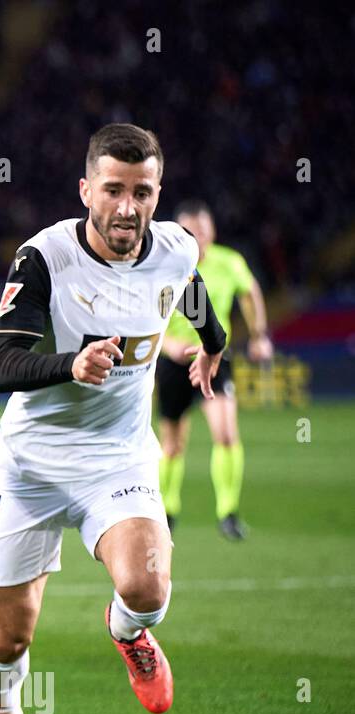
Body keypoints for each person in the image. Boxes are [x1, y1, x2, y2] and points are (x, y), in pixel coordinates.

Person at [0, 123, 225, 714]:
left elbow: (187, 290)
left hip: (118, 457)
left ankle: (126, 632)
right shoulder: (43, 258)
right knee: (9, 639)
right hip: (32, 464)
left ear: (157, 195)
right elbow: (2, 366)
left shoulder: (176, 247)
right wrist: (72, 365)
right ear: (86, 190)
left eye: (142, 192)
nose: (127, 207)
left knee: (149, 588)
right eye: (113, 190)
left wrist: (213, 342)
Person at [156, 199, 272, 539]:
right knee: (173, 444)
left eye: (202, 230)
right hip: (174, 363)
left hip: (215, 360)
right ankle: (167, 510)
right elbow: (143, 314)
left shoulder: (228, 262)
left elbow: (250, 291)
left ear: (212, 232)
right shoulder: (164, 267)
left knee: (225, 433)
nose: (197, 237)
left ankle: (228, 512)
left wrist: (259, 334)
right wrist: (167, 345)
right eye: (190, 231)